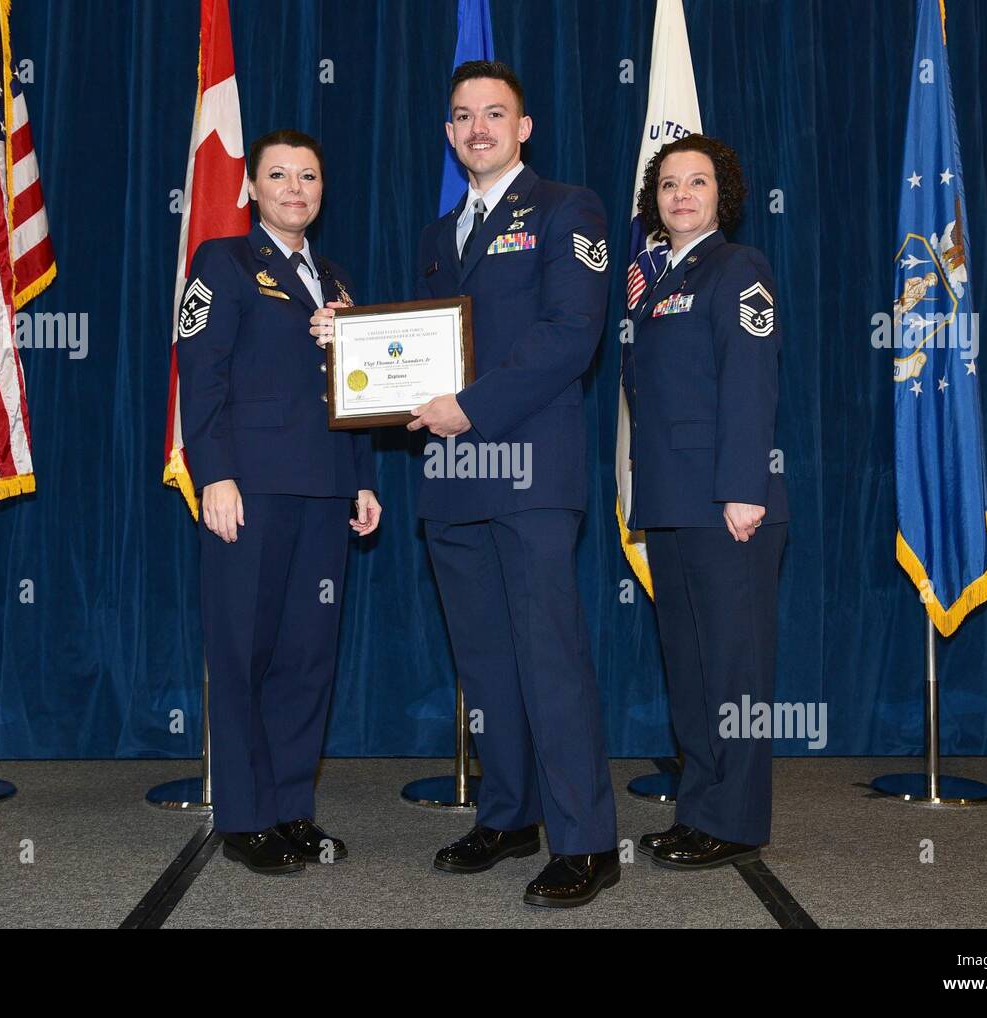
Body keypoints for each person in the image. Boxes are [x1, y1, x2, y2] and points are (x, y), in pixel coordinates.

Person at [315, 60, 618, 908]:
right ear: (449, 135)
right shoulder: (436, 236)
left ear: (524, 128)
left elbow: (571, 336)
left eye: (495, 113)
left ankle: (588, 840)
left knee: (549, 660)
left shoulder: (569, 210)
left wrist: (468, 409)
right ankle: (510, 813)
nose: (477, 127)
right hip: (450, 482)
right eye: (462, 116)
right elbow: (414, 356)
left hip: (527, 474)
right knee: (484, 666)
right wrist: (351, 350)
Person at [177, 129, 380, 875]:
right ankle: (244, 816)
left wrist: (362, 477)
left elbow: (359, 394)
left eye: (310, 176)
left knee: (307, 660)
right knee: (243, 653)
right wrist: (215, 474)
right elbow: (201, 374)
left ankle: (293, 809)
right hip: (251, 491)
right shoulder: (224, 263)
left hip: (325, 491)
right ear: (253, 189)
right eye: (279, 175)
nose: (296, 188)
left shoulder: (336, 278)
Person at [622, 134, 788, 869]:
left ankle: (738, 818)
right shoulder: (654, 280)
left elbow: (751, 384)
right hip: (671, 501)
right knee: (688, 669)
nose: (682, 195)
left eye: (697, 182)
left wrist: (743, 491)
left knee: (733, 669)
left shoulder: (737, 268)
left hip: (728, 506)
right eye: (668, 185)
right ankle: (700, 809)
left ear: (725, 194)